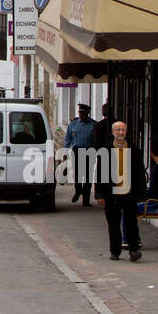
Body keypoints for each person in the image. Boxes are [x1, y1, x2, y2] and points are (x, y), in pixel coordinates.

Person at [96, 121, 148, 262]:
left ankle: (134, 250)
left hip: (129, 193)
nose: (120, 132)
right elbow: (100, 173)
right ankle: (115, 251)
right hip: (111, 194)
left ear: (126, 132)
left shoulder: (134, 149)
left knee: (131, 223)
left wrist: (142, 193)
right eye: (118, 129)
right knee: (113, 224)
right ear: (113, 132)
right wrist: (100, 194)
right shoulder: (106, 150)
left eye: (123, 130)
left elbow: (139, 172)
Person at [64, 103, 97, 206]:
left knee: (88, 177)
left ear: (87, 113)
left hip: (89, 151)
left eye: (83, 113)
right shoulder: (73, 124)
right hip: (77, 151)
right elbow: (68, 139)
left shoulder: (93, 125)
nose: (81, 115)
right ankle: (78, 191)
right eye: (80, 113)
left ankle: (86, 200)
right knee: (77, 175)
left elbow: (96, 140)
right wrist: (65, 152)